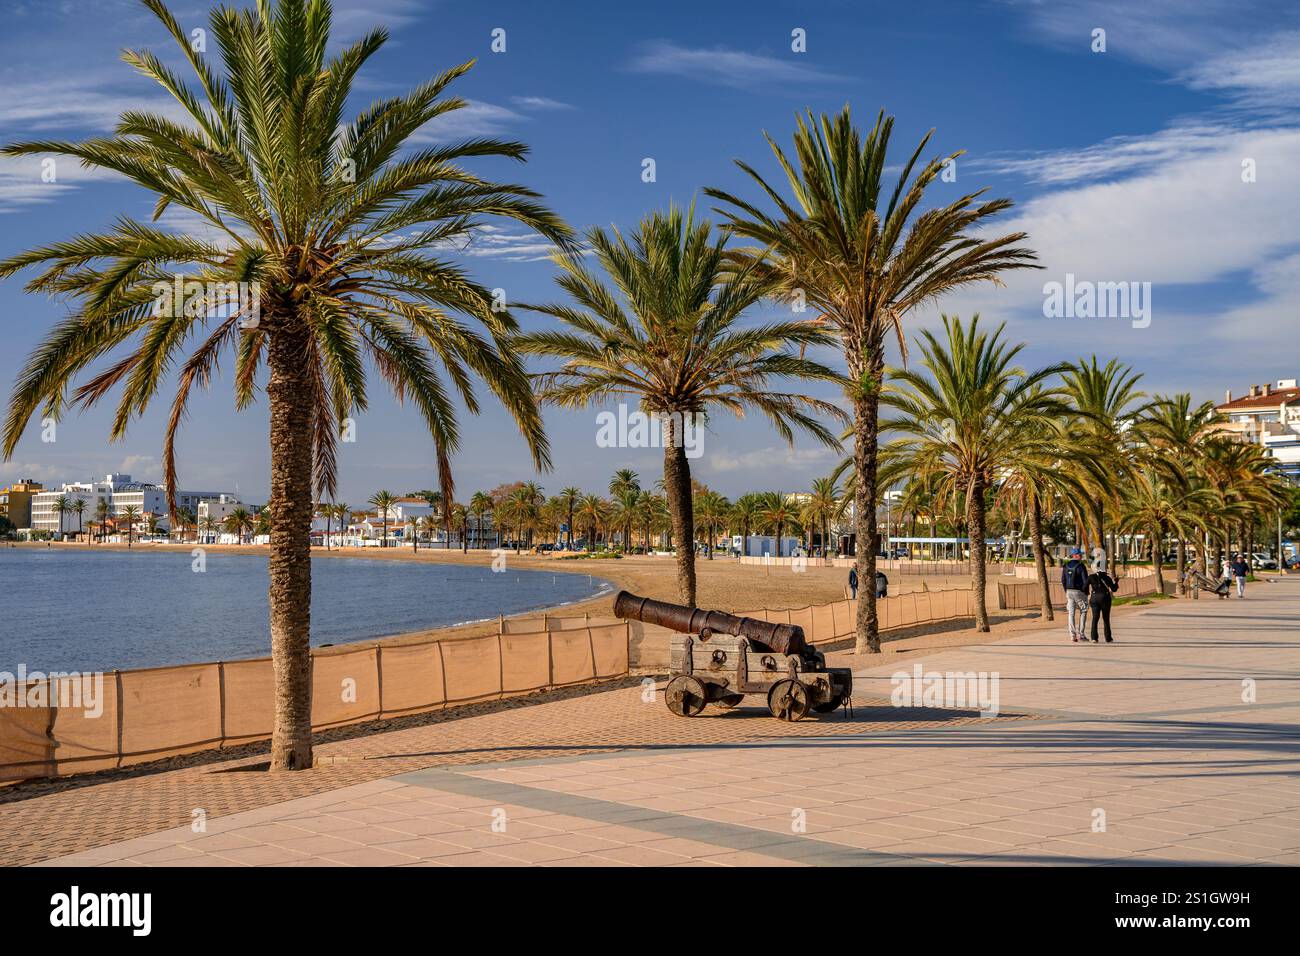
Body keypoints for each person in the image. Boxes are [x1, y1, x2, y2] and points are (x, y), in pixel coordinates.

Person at [1061, 548, 1090, 643]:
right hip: (1079, 591)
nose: (1081, 556)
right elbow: (1086, 581)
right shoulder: (1081, 566)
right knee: (1084, 610)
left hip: (1069, 591)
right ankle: (1081, 634)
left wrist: (1066, 590)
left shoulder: (1066, 565)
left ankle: (1072, 635)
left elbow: (1063, 580)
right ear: (1075, 555)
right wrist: (1086, 591)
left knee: (1071, 613)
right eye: (1079, 554)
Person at [1087, 560, 1119, 643]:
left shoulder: (1091, 577)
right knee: (1106, 619)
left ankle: (1094, 638)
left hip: (1094, 598)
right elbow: (1114, 589)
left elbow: (1084, 587)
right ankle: (1108, 638)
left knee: (1095, 618)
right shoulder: (1107, 578)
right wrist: (1116, 582)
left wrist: (1089, 592)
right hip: (1105, 598)